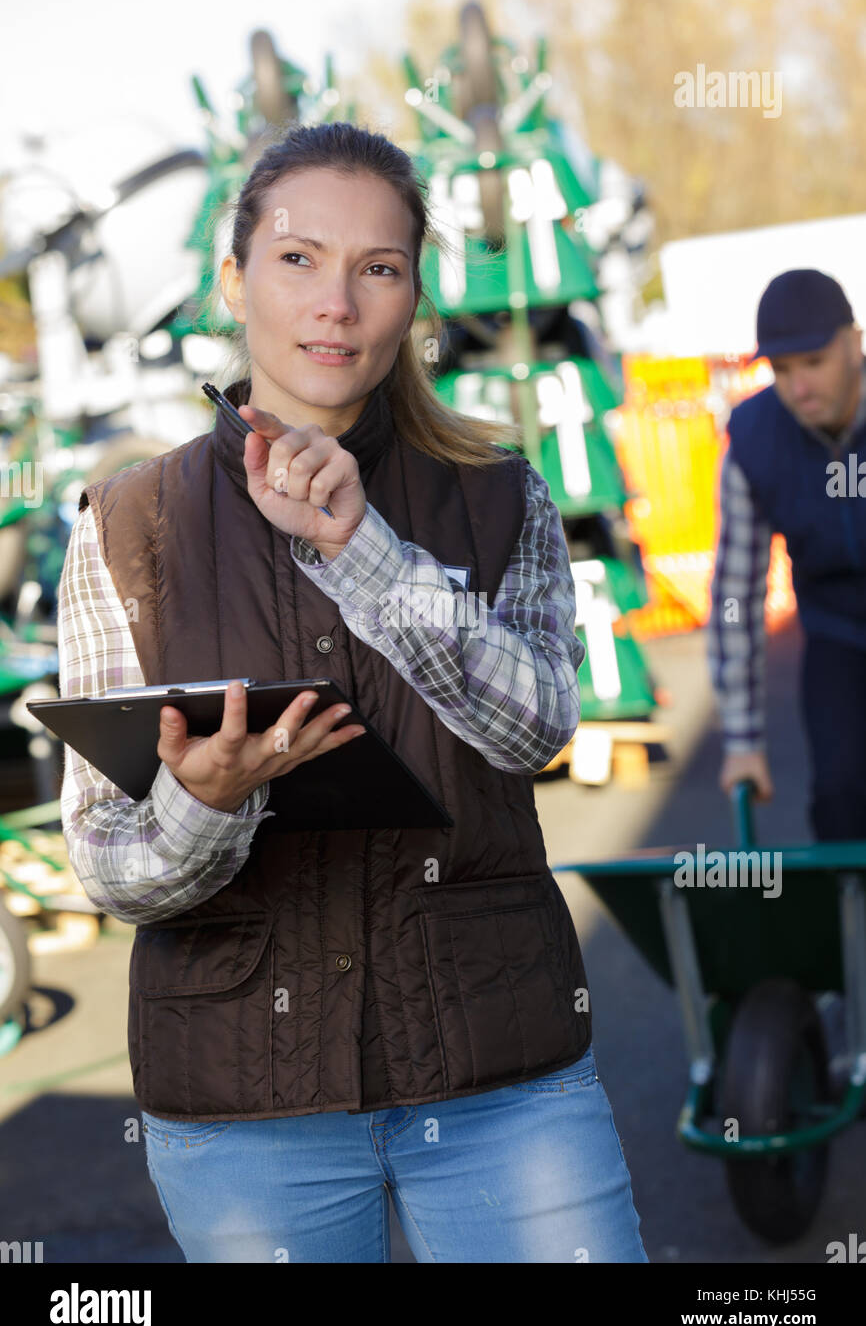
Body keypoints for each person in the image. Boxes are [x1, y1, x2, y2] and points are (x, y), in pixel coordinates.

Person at [57, 121, 648, 1264]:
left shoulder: (495, 492)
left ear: (412, 296)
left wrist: (364, 548)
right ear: (232, 280)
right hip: (243, 1101)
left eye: (376, 268)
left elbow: (534, 730)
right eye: (296, 258)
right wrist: (205, 802)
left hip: (498, 1071)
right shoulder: (126, 527)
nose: (336, 301)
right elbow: (110, 864)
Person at [708, 268, 866, 841]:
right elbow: (735, 594)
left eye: (814, 362)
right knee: (841, 794)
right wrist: (742, 741)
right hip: (838, 633)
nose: (799, 387)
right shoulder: (754, 439)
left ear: (854, 342)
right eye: (782, 369)